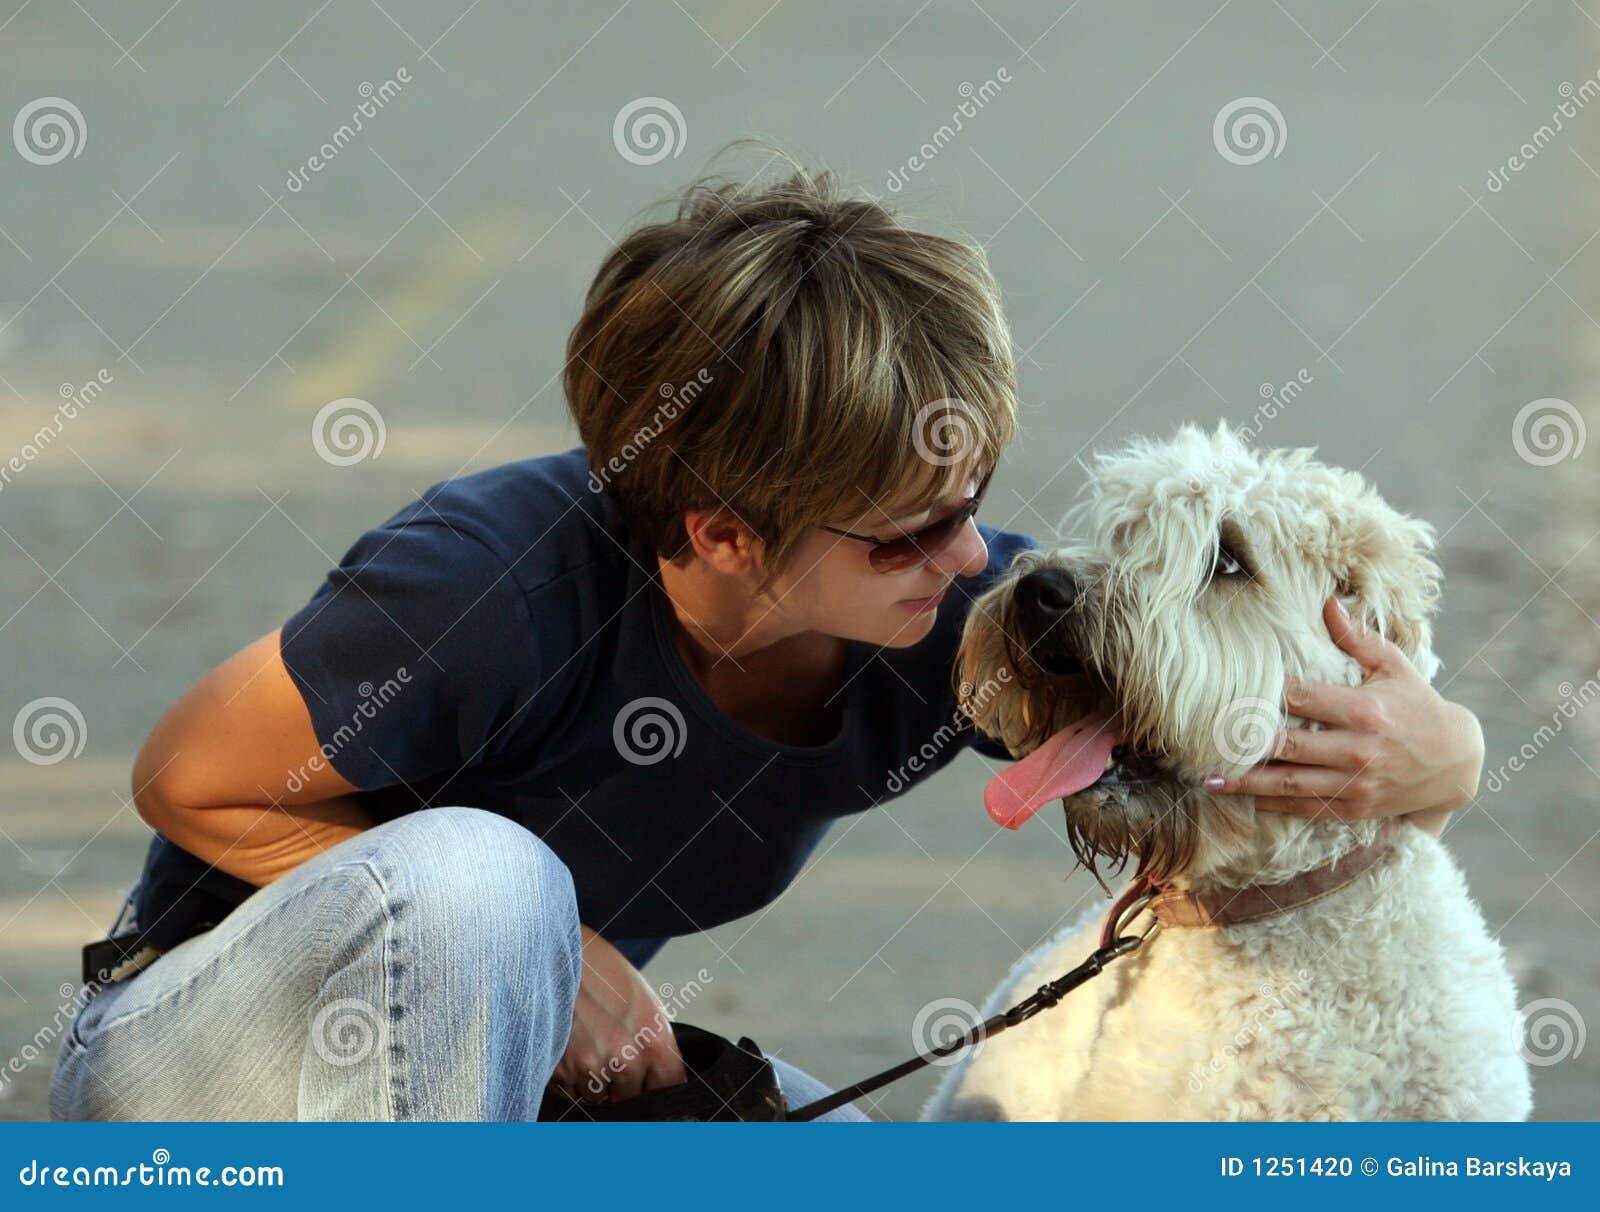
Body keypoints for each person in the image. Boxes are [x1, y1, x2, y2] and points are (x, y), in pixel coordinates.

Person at [50, 161, 1486, 1122]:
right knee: (484, 884)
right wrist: (558, 953)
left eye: (971, 501)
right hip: (208, 1075)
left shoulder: (943, 609)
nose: (972, 556)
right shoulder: (483, 590)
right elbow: (190, 778)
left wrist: (1447, 752)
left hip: (515, 1090)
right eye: (908, 530)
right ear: (726, 532)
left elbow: (1191, 688)